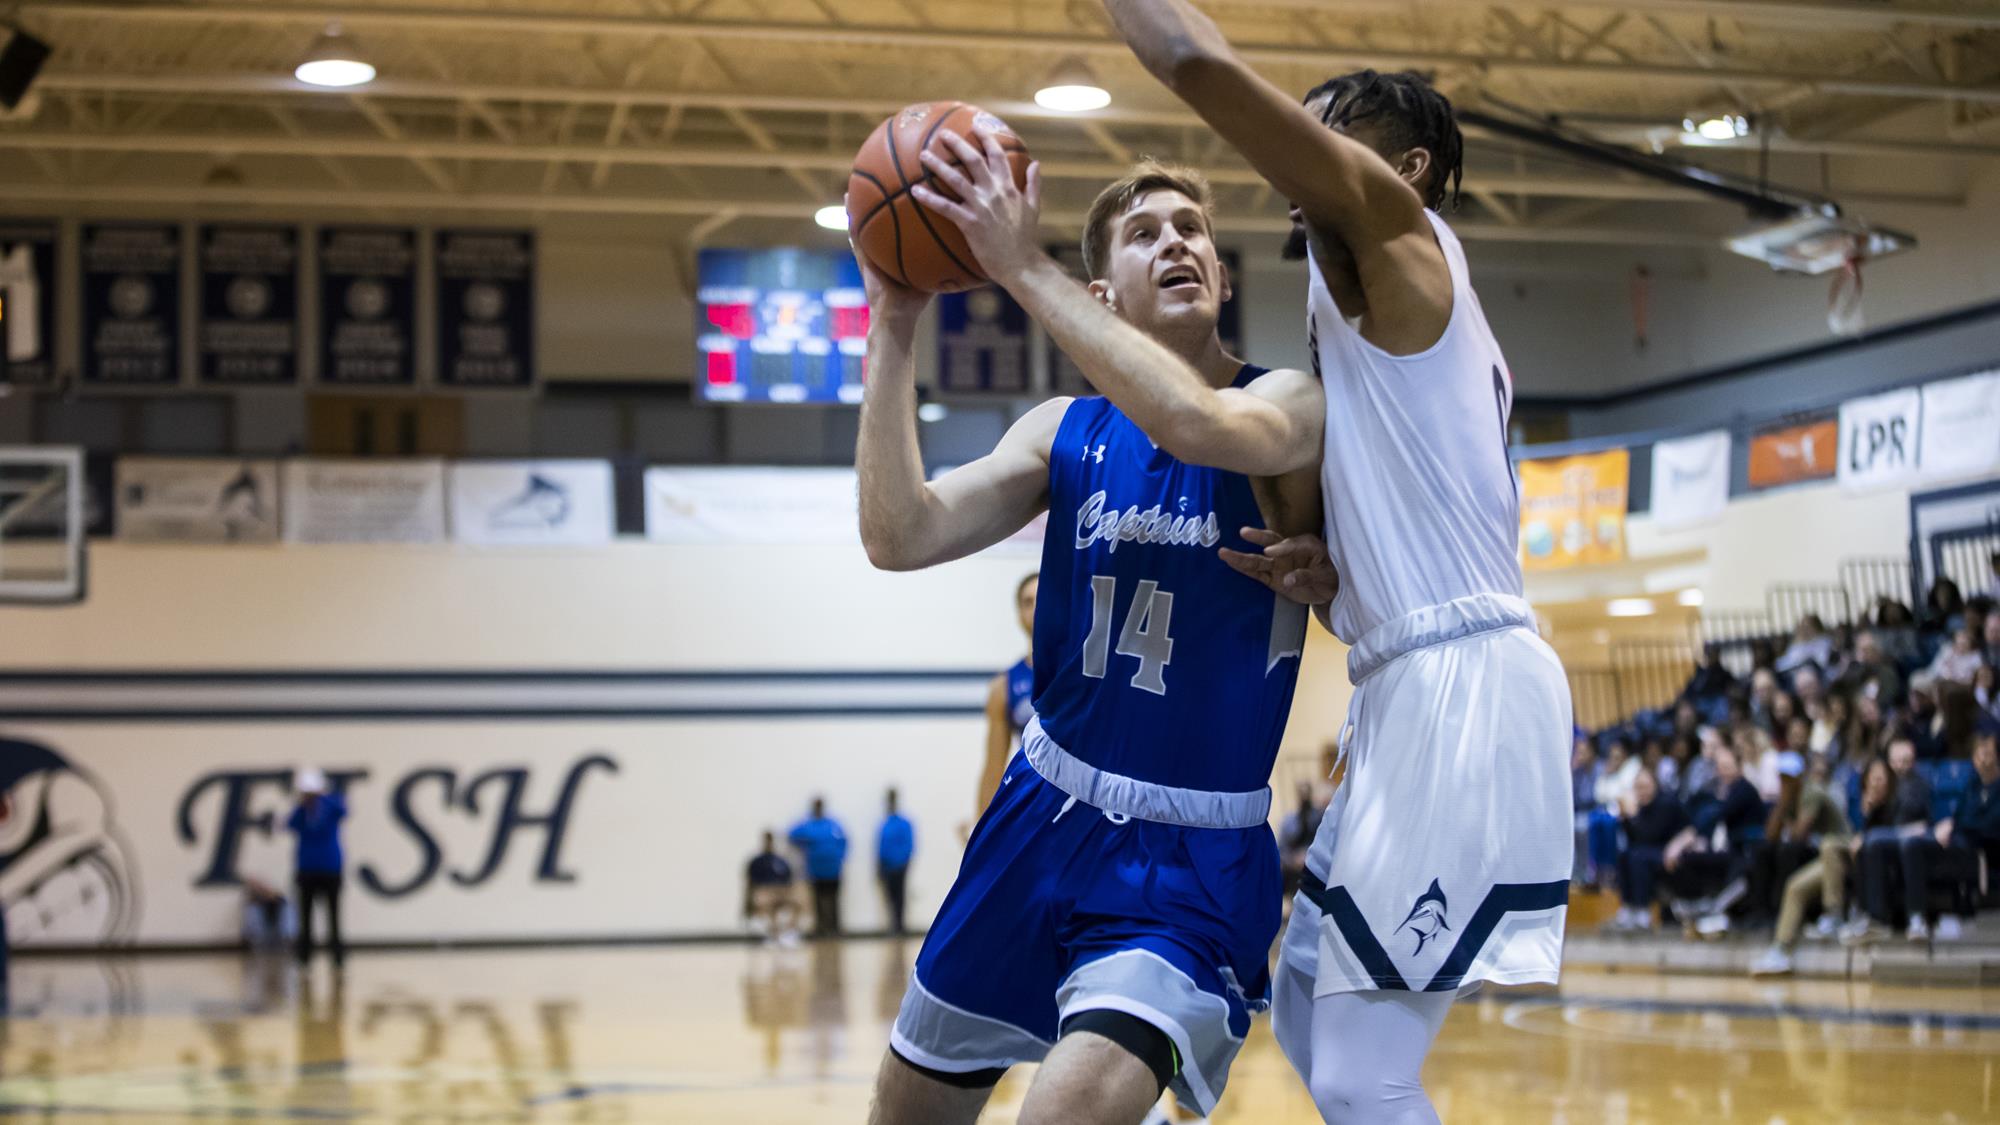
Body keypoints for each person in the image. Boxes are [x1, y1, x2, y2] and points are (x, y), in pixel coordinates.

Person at [1090, 9, 1575, 1120]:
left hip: (1464, 686)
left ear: (1400, 166)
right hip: (1401, 681)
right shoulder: (1360, 298)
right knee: (1306, 1010)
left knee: (1365, 1073)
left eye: (1325, 134)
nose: (1292, 154)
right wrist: (1334, 562)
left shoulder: (1396, 230)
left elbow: (1194, 60)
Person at [855, 154, 1319, 1124]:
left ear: (1222, 274)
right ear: (1103, 290)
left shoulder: (1287, 401)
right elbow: (898, 536)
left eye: (1190, 227)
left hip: (1187, 855)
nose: (1177, 242)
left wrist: (1022, 266)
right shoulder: (1062, 429)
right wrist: (894, 322)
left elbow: (1199, 426)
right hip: (1039, 817)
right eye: (1145, 233)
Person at [1750, 753, 1857, 975]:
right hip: (1824, 858)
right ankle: (1780, 950)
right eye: (1782, 776)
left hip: (1845, 852)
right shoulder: (1788, 798)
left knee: (1825, 845)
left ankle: (1833, 915)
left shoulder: (1812, 792)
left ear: (1800, 776)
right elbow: (1770, 836)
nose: (1784, 781)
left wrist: (1785, 806)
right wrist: (1781, 806)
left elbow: (1799, 835)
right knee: (1795, 887)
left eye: (1789, 777)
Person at [1896, 729, 2000, 942]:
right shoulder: (1972, 784)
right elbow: (1960, 815)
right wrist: (1951, 825)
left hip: (1983, 850)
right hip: (1959, 842)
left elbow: (1989, 827)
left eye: (1987, 753)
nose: (1982, 759)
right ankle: (1916, 918)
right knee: (1913, 844)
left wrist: (1956, 826)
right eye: (1978, 754)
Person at [1846, 739, 1933, 944]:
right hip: (1890, 844)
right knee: (1868, 846)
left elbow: (1911, 823)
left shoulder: (1917, 785)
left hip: (1916, 843)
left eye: (1906, 761)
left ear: (1913, 761)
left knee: (1874, 841)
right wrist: (1869, 811)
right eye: (1895, 762)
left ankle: (1912, 918)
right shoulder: (1887, 789)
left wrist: (1867, 835)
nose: (1900, 766)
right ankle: (1868, 916)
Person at [977, 575, 1040, 819]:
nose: (1036, 607)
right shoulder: (1004, 686)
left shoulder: (1087, 674)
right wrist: (979, 833)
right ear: (1019, 615)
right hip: (1032, 808)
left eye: (1042, 597)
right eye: (1027, 601)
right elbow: (993, 770)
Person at [1603, 767, 1687, 933]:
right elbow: (1634, 839)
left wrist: (1632, 815)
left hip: (1672, 851)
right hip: (1648, 851)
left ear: (1654, 785)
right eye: (1638, 787)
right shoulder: (1641, 807)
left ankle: (1642, 911)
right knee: (1625, 855)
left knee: (1637, 856)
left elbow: (1650, 836)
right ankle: (1628, 908)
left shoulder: (1665, 803)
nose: (1642, 791)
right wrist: (1625, 818)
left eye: (1645, 786)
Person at [286, 768, 348, 968]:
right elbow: (289, 824)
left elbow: (344, 810)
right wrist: (304, 806)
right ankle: (305, 960)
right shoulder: (301, 811)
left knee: (334, 916)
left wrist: (323, 798)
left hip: (331, 868)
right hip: (307, 869)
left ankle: (338, 960)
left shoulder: (330, 807)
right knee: (306, 918)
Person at [788, 798, 848, 940]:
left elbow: (845, 841)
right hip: (816, 871)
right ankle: (821, 928)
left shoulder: (833, 824)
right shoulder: (807, 825)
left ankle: (834, 928)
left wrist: (840, 856)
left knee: (833, 901)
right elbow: (791, 835)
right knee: (817, 902)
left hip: (833, 870)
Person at [745, 829, 801, 947]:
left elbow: (789, 881)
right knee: (768, 904)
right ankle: (773, 934)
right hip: (764, 891)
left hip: (781, 891)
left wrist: (785, 892)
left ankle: (788, 933)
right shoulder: (757, 862)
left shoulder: (781, 861)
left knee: (798, 903)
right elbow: (751, 884)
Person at [877, 790, 915, 937]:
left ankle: (900, 926)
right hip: (887, 867)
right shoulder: (885, 823)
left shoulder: (903, 823)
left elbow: (909, 844)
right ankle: (893, 925)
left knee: (900, 897)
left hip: (900, 866)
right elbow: (881, 846)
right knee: (890, 896)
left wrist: (903, 862)